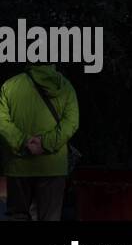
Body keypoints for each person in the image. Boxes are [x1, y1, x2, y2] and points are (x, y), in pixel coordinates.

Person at [0, 64, 79, 221]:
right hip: (52, 167)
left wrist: (23, 142)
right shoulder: (64, 86)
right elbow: (71, 122)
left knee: (17, 216)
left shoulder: (9, 85)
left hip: (18, 166)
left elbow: (2, 121)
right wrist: (45, 143)